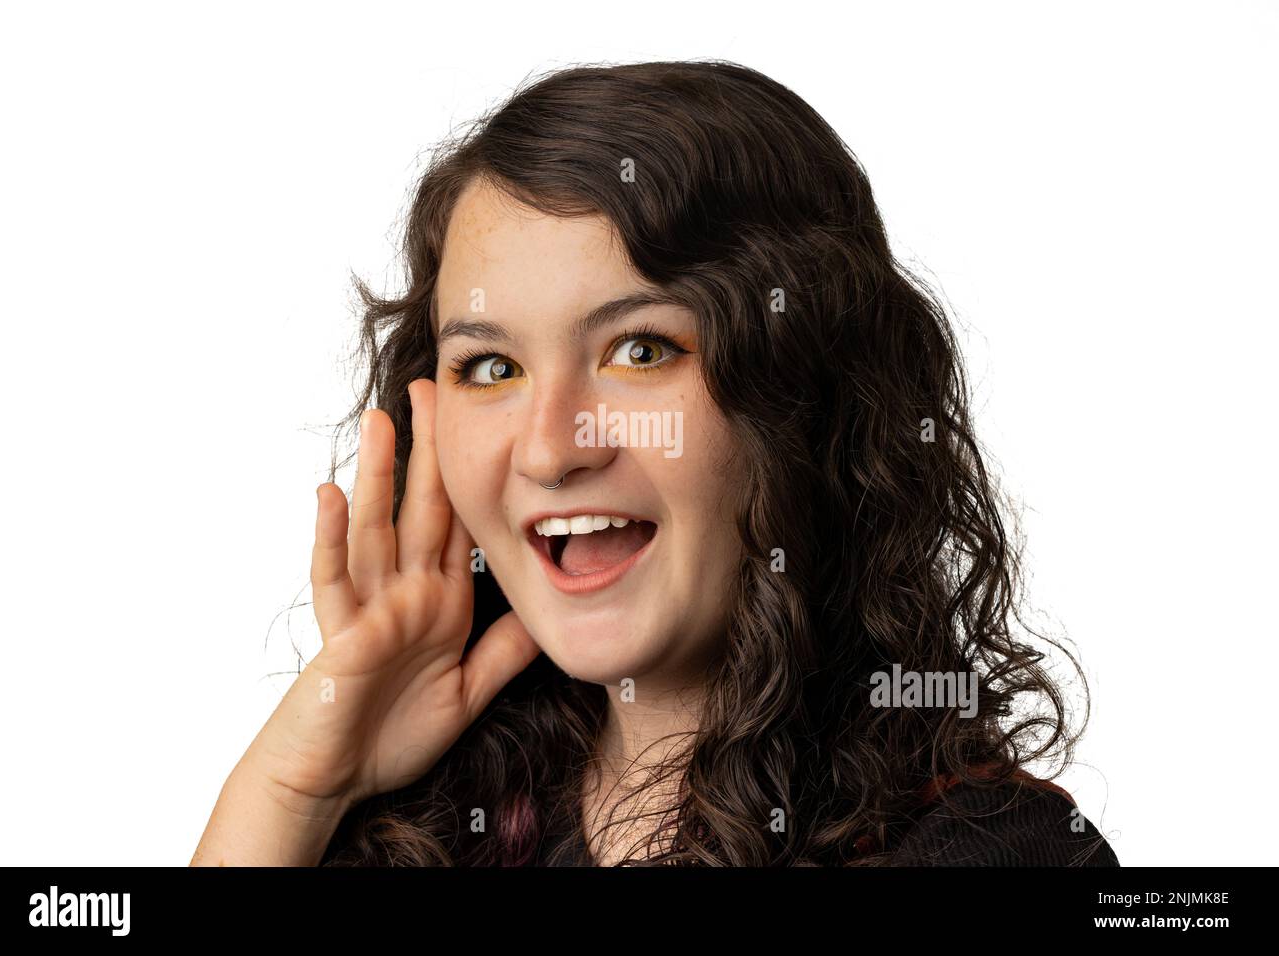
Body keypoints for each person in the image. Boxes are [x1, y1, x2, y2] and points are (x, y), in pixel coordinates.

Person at [191, 60, 1119, 867]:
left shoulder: (994, 851)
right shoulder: (428, 821)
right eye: (493, 367)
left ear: (807, 389)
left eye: (640, 351)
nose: (552, 450)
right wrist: (298, 790)